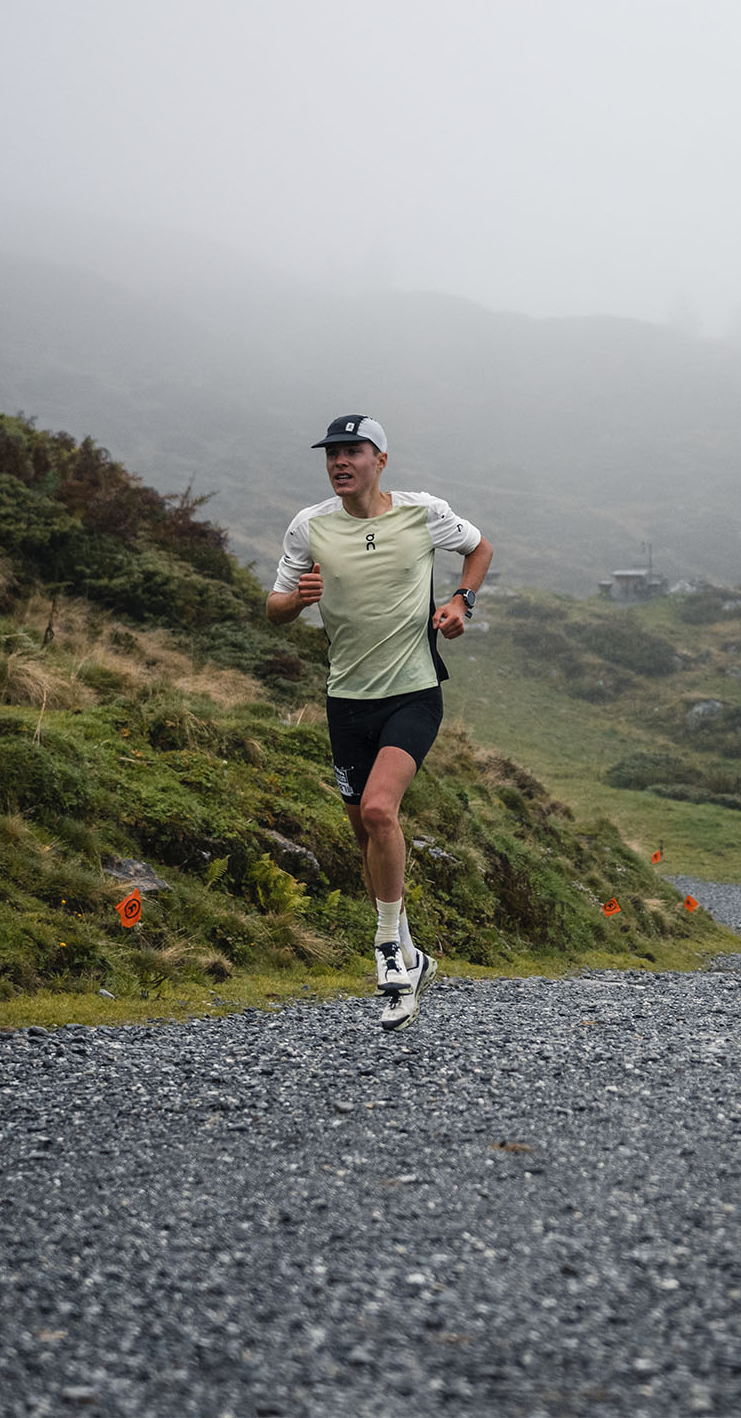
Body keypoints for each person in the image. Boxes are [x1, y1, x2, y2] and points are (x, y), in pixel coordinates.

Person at [267, 414, 492, 1032]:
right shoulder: (309, 526)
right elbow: (274, 607)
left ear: (380, 460)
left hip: (413, 693)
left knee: (377, 811)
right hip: (347, 700)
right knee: (367, 838)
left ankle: (390, 955)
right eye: (332, 454)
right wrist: (297, 600)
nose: (340, 462)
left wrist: (459, 601)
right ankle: (413, 954)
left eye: (353, 452)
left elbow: (479, 548)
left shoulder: (421, 513)